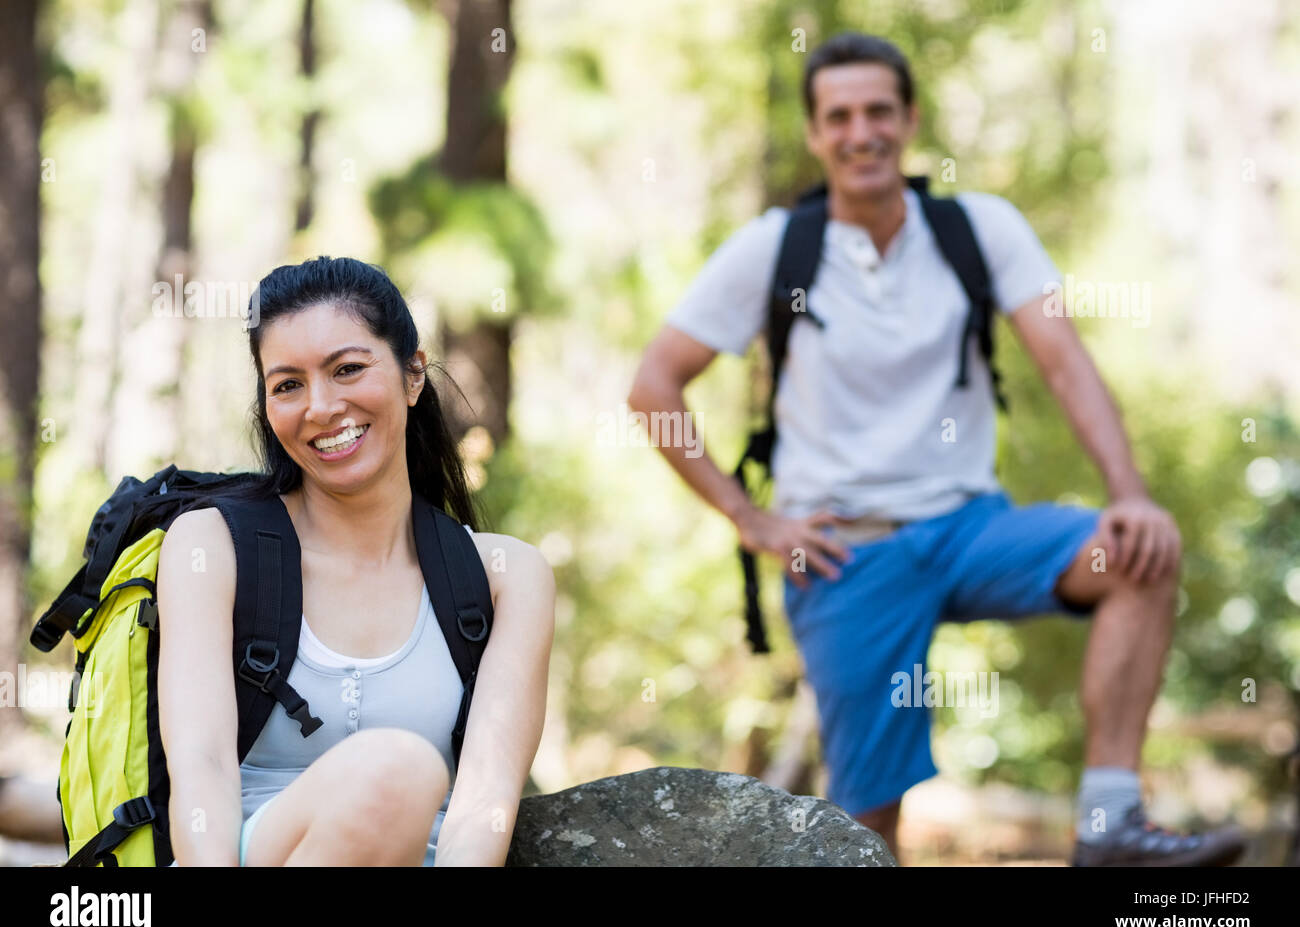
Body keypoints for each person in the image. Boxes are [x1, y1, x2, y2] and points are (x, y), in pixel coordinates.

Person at [628, 33, 1245, 866]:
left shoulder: (978, 229)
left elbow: (1066, 366)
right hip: (851, 552)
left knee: (1137, 555)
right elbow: (653, 386)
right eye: (839, 116)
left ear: (910, 119)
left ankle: (1109, 825)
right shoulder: (776, 248)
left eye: (879, 110)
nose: (862, 132)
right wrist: (751, 519)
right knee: (867, 829)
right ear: (816, 134)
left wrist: (1128, 490)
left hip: (970, 529)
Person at [157, 256, 554, 866]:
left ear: (413, 374)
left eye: (347, 369)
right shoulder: (211, 547)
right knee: (396, 772)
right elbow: (201, 769)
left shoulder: (505, 578)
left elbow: (485, 805)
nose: (320, 407)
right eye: (288, 384)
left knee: (400, 774)